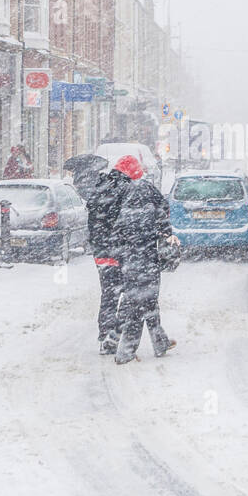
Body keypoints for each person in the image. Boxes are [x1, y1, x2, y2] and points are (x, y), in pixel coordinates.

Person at [112, 155, 178, 365]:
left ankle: (160, 342)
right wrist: (166, 239)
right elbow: (163, 218)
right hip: (147, 259)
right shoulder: (148, 195)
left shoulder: (122, 199)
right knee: (140, 304)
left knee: (146, 301)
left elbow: (115, 232)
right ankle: (125, 352)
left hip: (130, 261)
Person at [80, 163, 130, 355]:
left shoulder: (98, 191)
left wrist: (100, 247)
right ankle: (115, 334)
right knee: (128, 293)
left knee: (109, 295)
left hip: (101, 253)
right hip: (118, 251)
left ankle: (105, 335)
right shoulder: (122, 193)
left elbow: (93, 224)